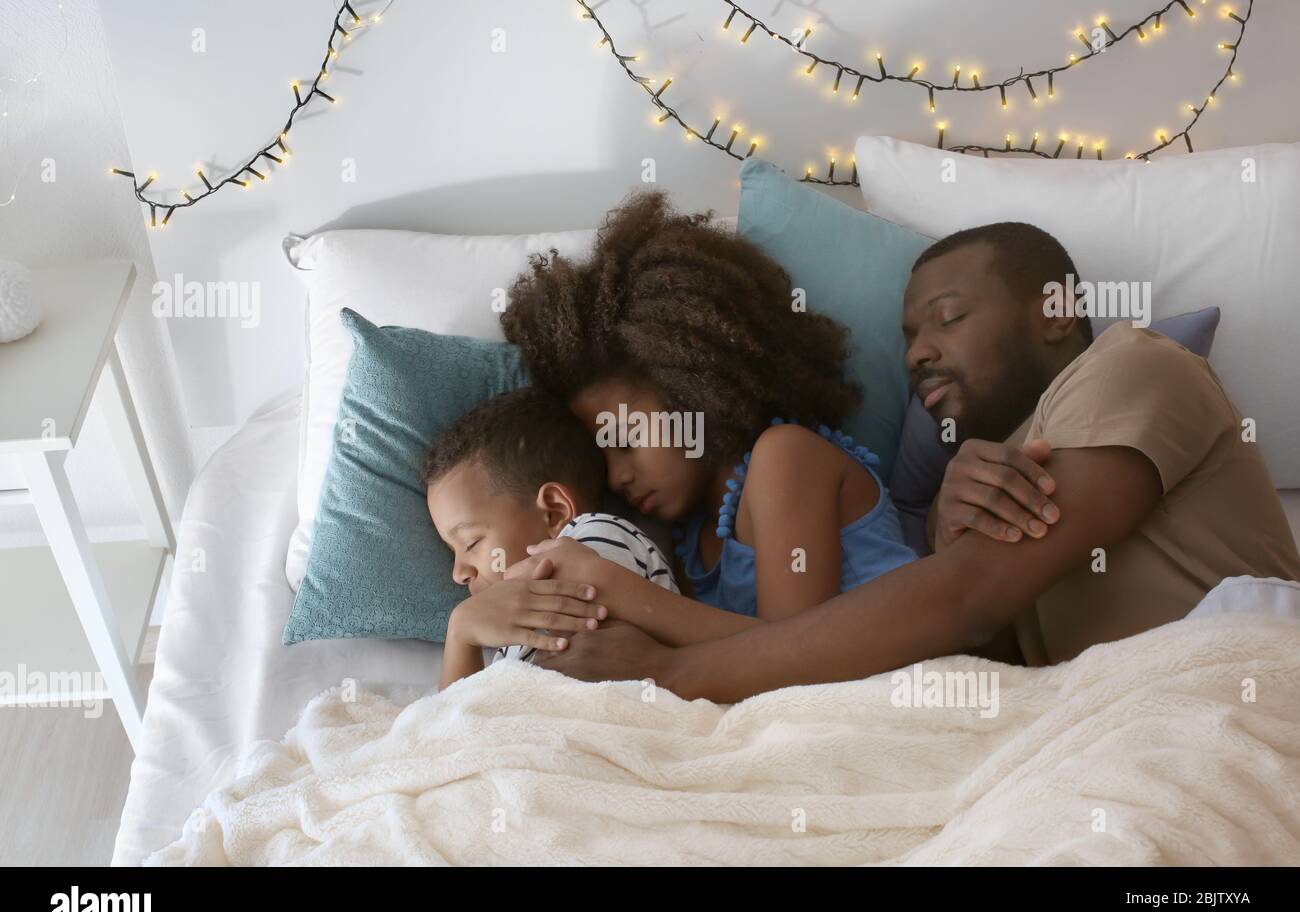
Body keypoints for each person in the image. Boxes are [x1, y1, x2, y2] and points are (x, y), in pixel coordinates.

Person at [518, 221, 1300, 701]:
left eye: (947, 318)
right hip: (1096, 715)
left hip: (1235, 684)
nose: (918, 352)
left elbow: (966, 598)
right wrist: (948, 532)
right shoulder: (993, 469)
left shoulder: (1140, 365)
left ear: (1056, 312)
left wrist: (662, 673)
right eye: (905, 337)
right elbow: (987, 658)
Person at [482, 189, 914, 647]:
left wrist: (620, 590)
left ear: (696, 392)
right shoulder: (685, 539)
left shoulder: (787, 458)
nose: (617, 475)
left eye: (626, 438)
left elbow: (794, 654)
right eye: (603, 454)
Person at [422, 387, 676, 690]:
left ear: (554, 513)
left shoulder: (594, 538)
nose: (458, 573)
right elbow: (451, 725)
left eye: (472, 543)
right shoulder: (515, 626)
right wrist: (460, 634)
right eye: (453, 554)